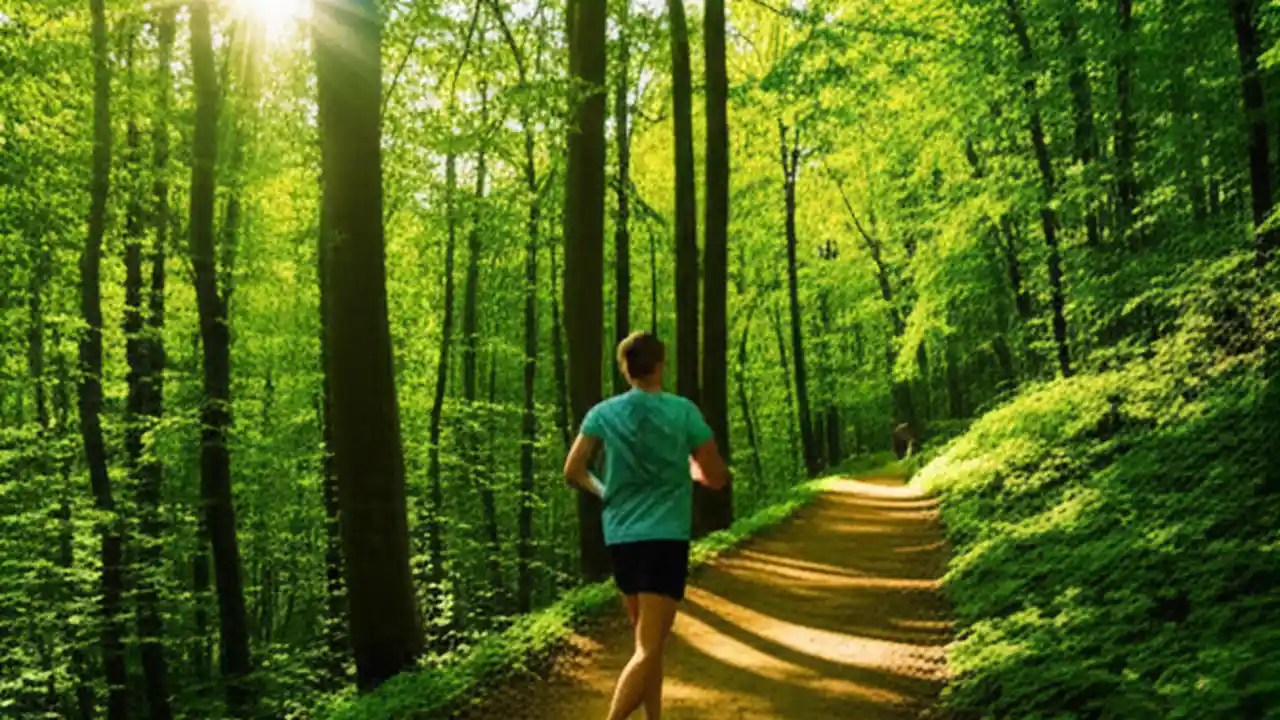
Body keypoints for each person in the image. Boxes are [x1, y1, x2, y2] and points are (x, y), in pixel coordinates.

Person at [563, 331, 729, 720]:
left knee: (647, 640)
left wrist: (605, 491)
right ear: (661, 364)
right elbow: (716, 474)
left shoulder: (602, 413)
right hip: (665, 536)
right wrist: (700, 473)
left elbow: (573, 471)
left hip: (621, 537)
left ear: (625, 368)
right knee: (648, 647)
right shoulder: (683, 411)